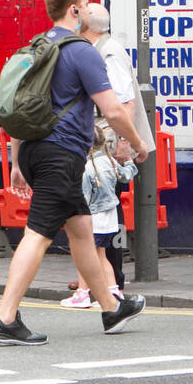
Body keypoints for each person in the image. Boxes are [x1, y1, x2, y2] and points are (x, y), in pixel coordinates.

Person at [0, 0, 149, 345]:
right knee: (37, 235)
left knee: (81, 230)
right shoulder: (82, 51)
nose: (89, 10)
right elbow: (112, 110)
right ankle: (4, 318)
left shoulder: (37, 48)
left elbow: (20, 111)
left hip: (35, 151)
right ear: (74, 11)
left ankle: (111, 306)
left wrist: (16, 163)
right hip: (61, 157)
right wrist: (137, 144)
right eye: (86, 5)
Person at [78, 3, 153, 292]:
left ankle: (112, 280)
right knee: (104, 211)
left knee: (106, 211)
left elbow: (125, 104)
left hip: (109, 149)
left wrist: (125, 144)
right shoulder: (101, 50)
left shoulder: (109, 54)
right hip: (104, 147)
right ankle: (98, 278)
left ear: (86, 29)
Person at [62, 132, 137, 308]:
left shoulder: (86, 167)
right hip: (110, 218)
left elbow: (83, 199)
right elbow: (126, 176)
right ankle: (113, 291)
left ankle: (82, 294)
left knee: (84, 254)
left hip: (93, 218)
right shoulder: (109, 161)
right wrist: (128, 159)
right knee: (101, 256)